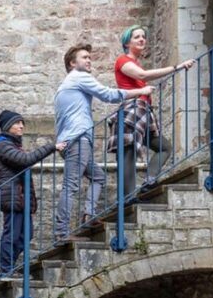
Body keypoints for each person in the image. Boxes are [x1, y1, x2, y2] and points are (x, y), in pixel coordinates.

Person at [54, 43, 155, 242]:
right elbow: (108, 95)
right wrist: (141, 91)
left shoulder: (66, 84)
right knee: (71, 185)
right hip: (77, 140)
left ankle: (89, 215)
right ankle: (60, 232)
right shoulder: (79, 77)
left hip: (73, 140)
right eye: (84, 58)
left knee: (98, 177)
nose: (89, 60)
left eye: (89, 57)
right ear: (72, 63)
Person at [109, 25, 196, 196]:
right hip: (132, 111)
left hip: (143, 112)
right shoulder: (122, 60)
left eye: (143, 36)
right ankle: (127, 199)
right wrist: (176, 67)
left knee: (164, 147)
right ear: (127, 43)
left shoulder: (135, 62)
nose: (142, 39)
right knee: (129, 154)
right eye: (136, 37)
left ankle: (149, 179)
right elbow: (143, 75)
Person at [0, 111, 68, 278]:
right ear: (7, 126)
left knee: (26, 234)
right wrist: (52, 147)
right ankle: (5, 269)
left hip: (20, 197)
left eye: (22, 123)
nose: (21, 126)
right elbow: (25, 160)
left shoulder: (12, 144)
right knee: (12, 233)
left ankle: (7, 267)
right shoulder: (2, 145)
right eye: (17, 123)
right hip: (12, 197)